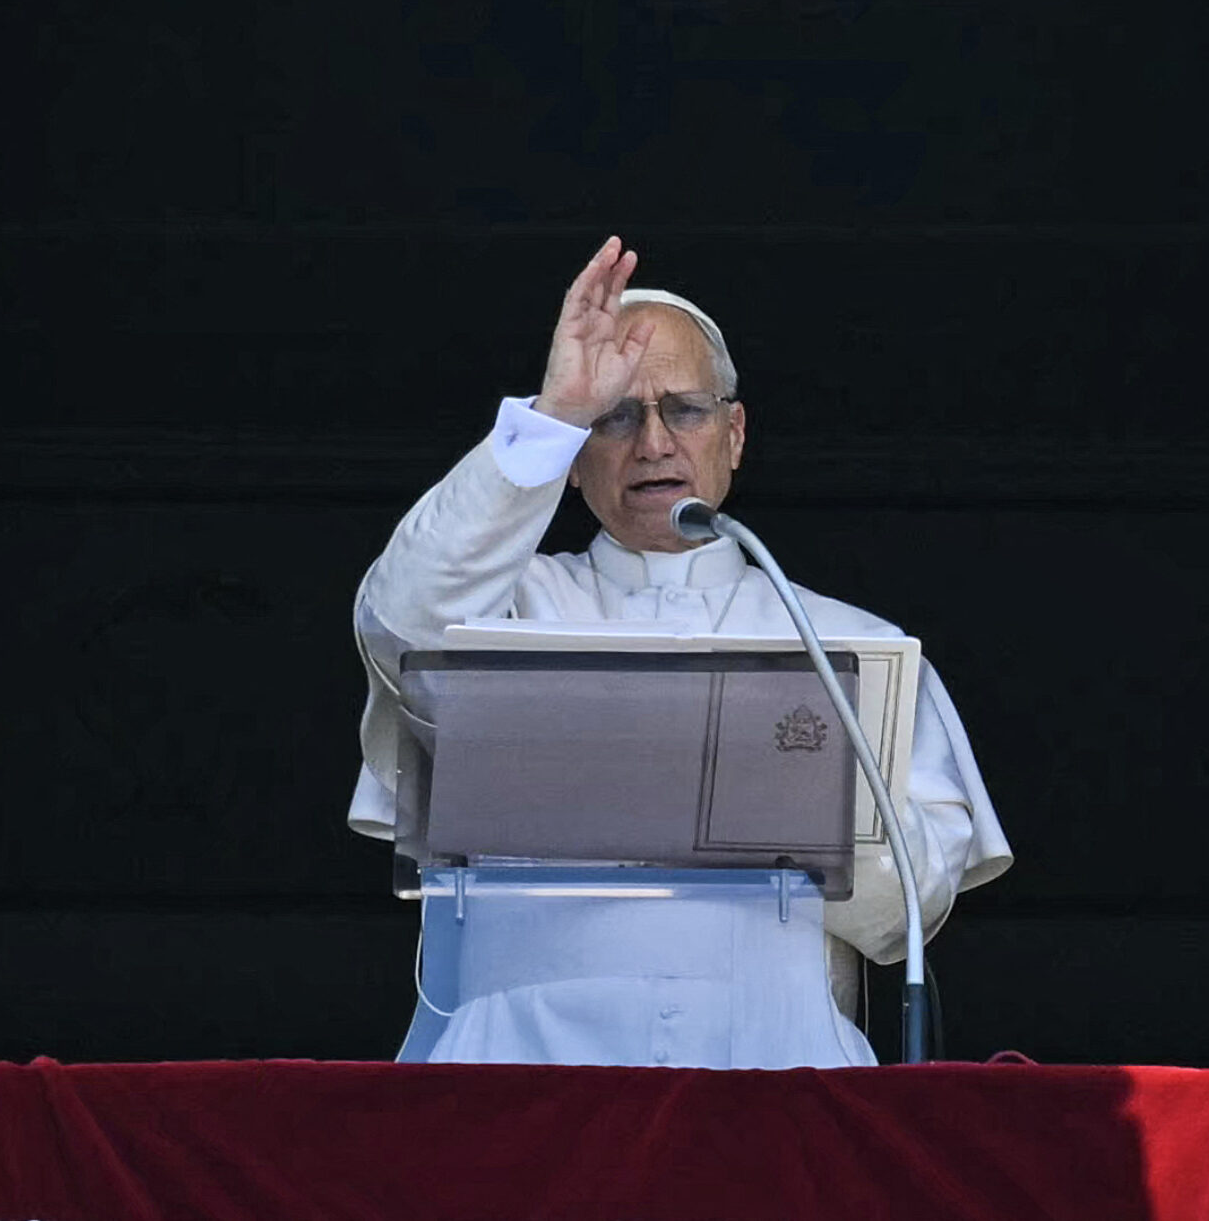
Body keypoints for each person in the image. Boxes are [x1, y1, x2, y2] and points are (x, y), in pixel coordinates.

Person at [350, 235, 1011, 1067]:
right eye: (615, 416)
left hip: (774, 1065)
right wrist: (553, 412)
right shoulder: (510, 612)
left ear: (735, 435)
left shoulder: (845, 644)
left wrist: (765, 797)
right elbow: (399, 620)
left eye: (685, 410)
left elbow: (908, 905)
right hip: (522, 1064)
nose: (654, 442)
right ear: (577, 456)